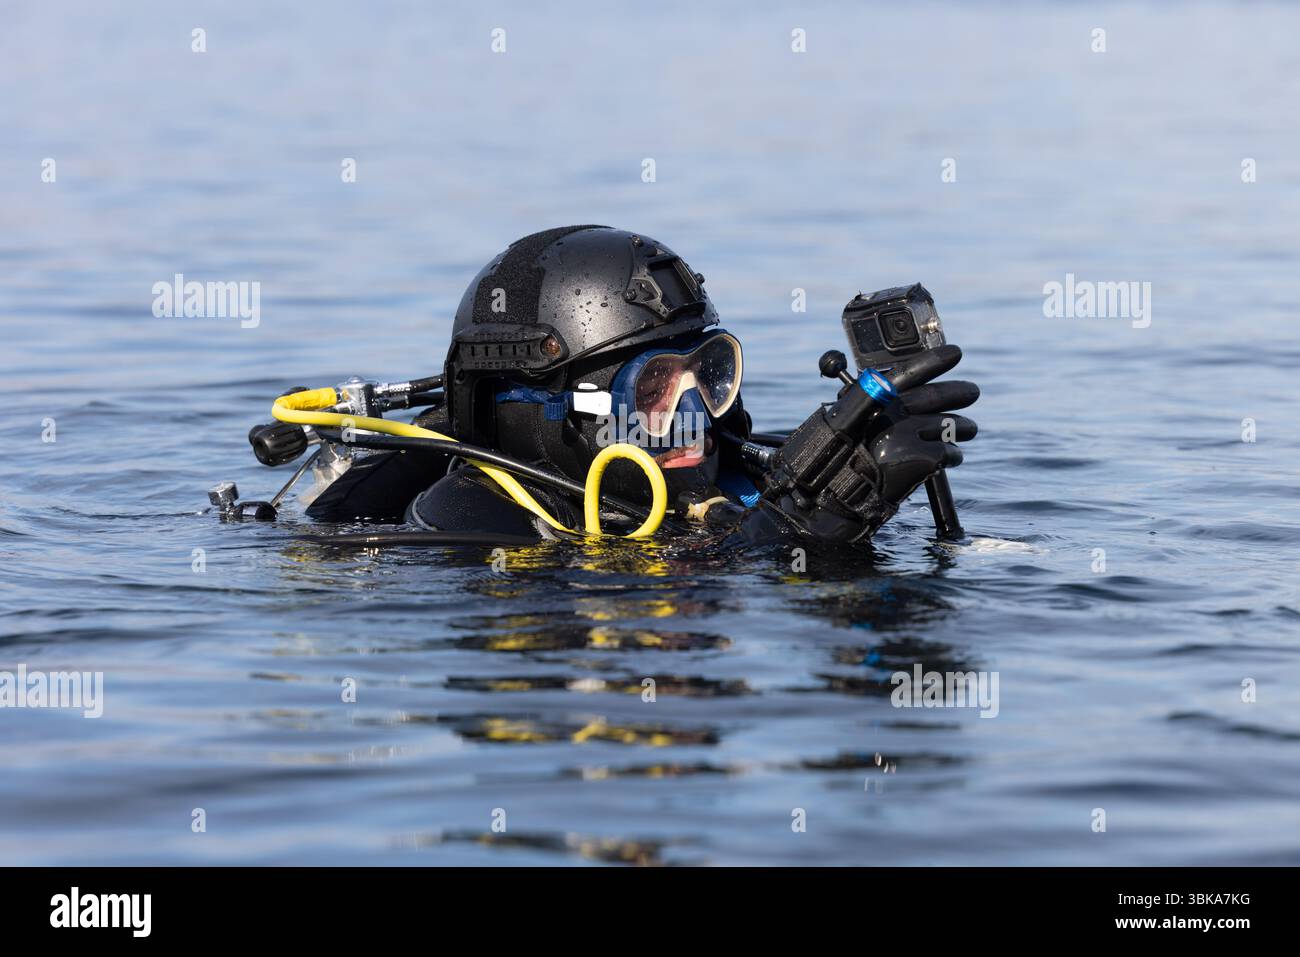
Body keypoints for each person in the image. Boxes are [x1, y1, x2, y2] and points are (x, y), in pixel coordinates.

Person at [303, 225, 979, 545]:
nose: (691, 410)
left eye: (709, 373)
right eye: (652, 384)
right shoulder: (471, 526)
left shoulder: (733, 477)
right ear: (550, 410)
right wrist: (798, 529)